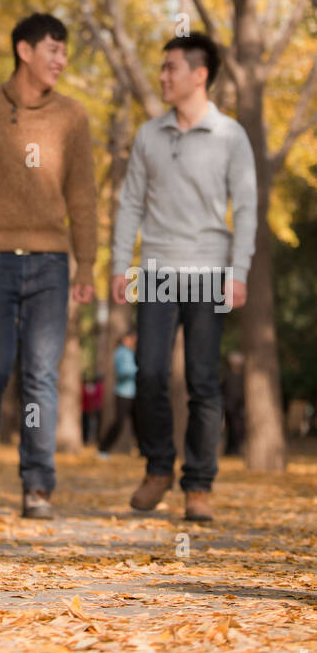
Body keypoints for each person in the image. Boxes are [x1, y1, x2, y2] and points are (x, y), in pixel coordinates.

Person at [0, 13, 97, 519]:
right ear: (24, 51)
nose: (61, 60)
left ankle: (37, 484)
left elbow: (84, 195)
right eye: (53, 48)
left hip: (51, 263)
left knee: (40, 375)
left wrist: (88, 263)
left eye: (64, 51)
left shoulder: (73, 117)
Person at [112, 32, 257, 522]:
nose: (162, 75)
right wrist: (119, 265)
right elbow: (130, 201)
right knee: (148, 372)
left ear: (200, 75)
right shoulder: (150, 135)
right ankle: (157, 468)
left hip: (209, 270)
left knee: (202, 380)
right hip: (154, 269)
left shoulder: (230, 136)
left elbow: (248, 207)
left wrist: (238, 273)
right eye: (161, 67)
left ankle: (199, 484)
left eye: (171, 67)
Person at [98, 332, 138, 455]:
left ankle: (144, 450)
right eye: (131, 338)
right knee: (119, 422)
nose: (133, 340)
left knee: (140, 423)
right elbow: (123, 371)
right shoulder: (121, 352)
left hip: (134, 393)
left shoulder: (132, 352)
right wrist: (139, 369)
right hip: (123, 393)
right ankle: (103, 449)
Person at [221, 351, 245, 456]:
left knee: (238, 429)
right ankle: (230, 450)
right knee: (231, 429)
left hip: (239, 407)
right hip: (229, 407)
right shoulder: (227, 376)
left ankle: (235, 449)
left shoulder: (243, 377)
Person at [81, 375, 104, 445]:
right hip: (89, 408)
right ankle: (88, 439)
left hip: (91, 408)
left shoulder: (97, 387)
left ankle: (90, 438)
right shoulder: (96, 387)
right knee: (89, 424)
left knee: (90, 424)